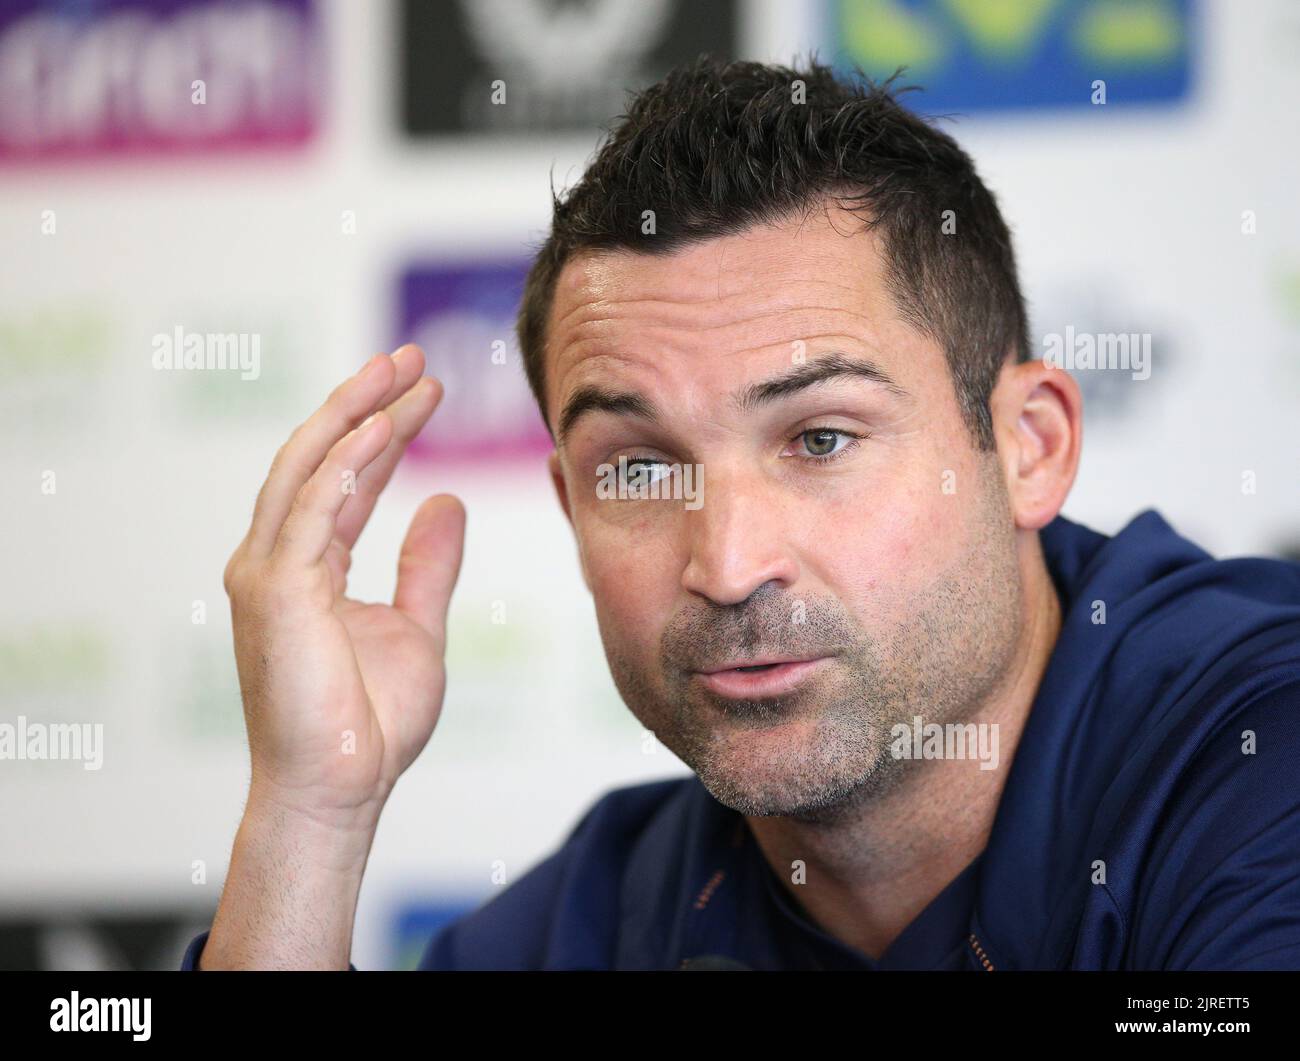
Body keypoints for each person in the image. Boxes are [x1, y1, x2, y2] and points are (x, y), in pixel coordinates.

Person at [180, 57, 1300, 971]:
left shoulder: (1261, 754)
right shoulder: (603, 911)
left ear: (1028, 448)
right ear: (572, 509)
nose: (725, 560)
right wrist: (310, 815)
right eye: (639, 469)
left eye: (820, 439)